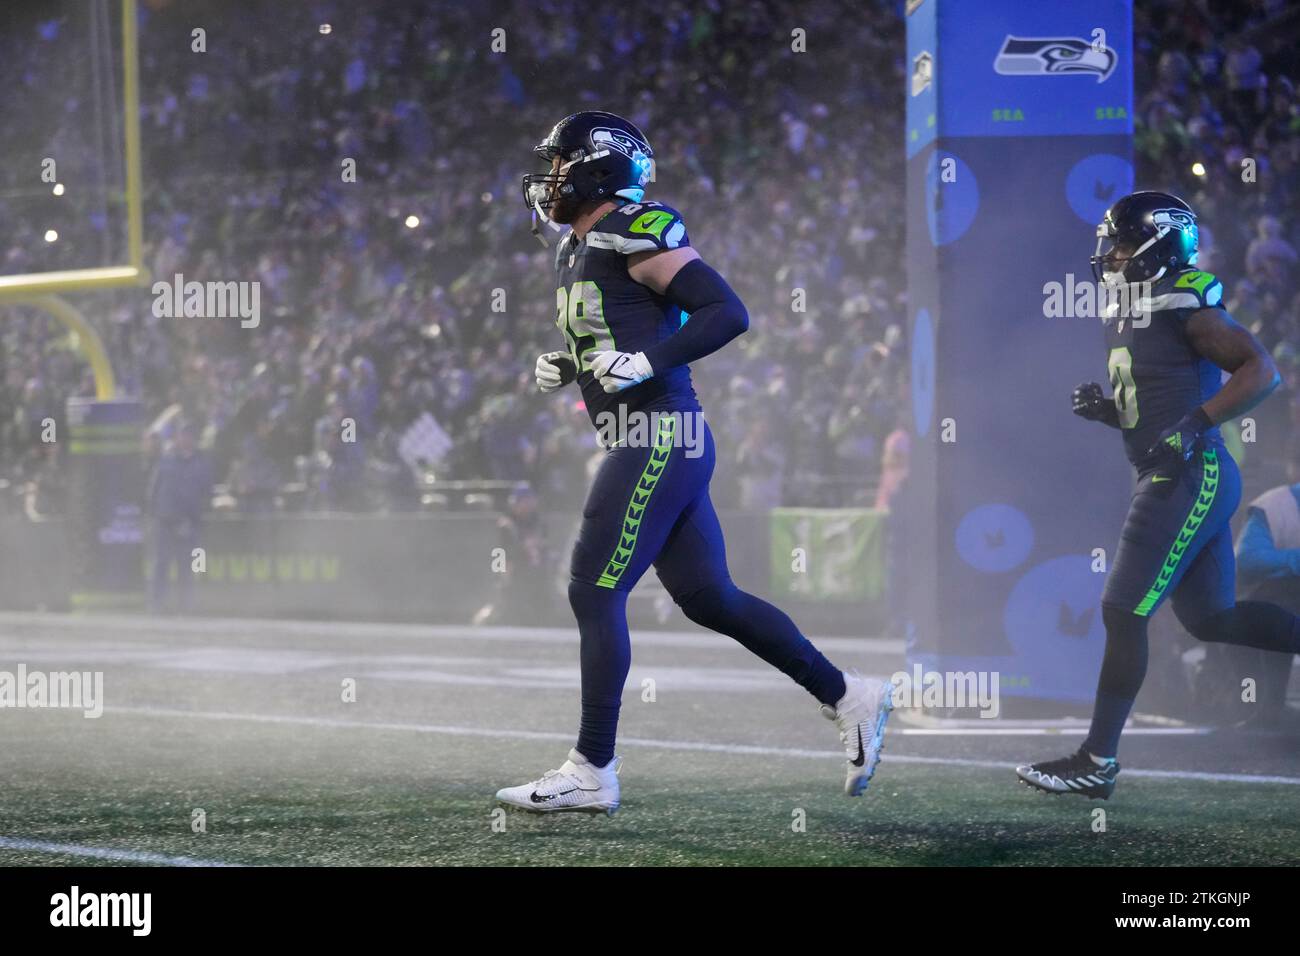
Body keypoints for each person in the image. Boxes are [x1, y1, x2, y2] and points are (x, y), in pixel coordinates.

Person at [494, 111, 894, 815]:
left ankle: (593, 769)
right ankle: (847, 694)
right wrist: (576, 364)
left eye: (560, 165)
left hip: (660, 435)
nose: (549, 179)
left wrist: (644, 360)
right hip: (646, 434)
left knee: (593, 590)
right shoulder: (578, 247)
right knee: (712, 599)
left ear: (598, 167)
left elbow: (725, 312)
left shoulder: (635, 229)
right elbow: (620, 331)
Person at [1017, 191, 1300, 800]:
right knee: (1210, 618)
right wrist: (1110, 413)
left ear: (1156, 245)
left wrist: (1196, 425)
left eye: (1120, 245)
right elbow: (1153, 407)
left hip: (1189, 474)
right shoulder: (1130, 305)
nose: (1110, 257)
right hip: (1173, 468)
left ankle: (1097, 760)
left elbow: (1261, 370)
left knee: (1124, 610)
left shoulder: (1186, 299)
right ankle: (1097, 759)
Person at [147, 421, 213, 614]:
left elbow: (207, 492)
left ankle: (187, 606)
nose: (185, 439)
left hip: (189, 522)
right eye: (182, 435)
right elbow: (154, 488)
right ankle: (157, 605)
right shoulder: (166, 460)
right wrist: (153, 514)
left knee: (188, 567)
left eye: (189, 435)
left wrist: (197, 516)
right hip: (165, 521)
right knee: (161, 565)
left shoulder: (202, 463)